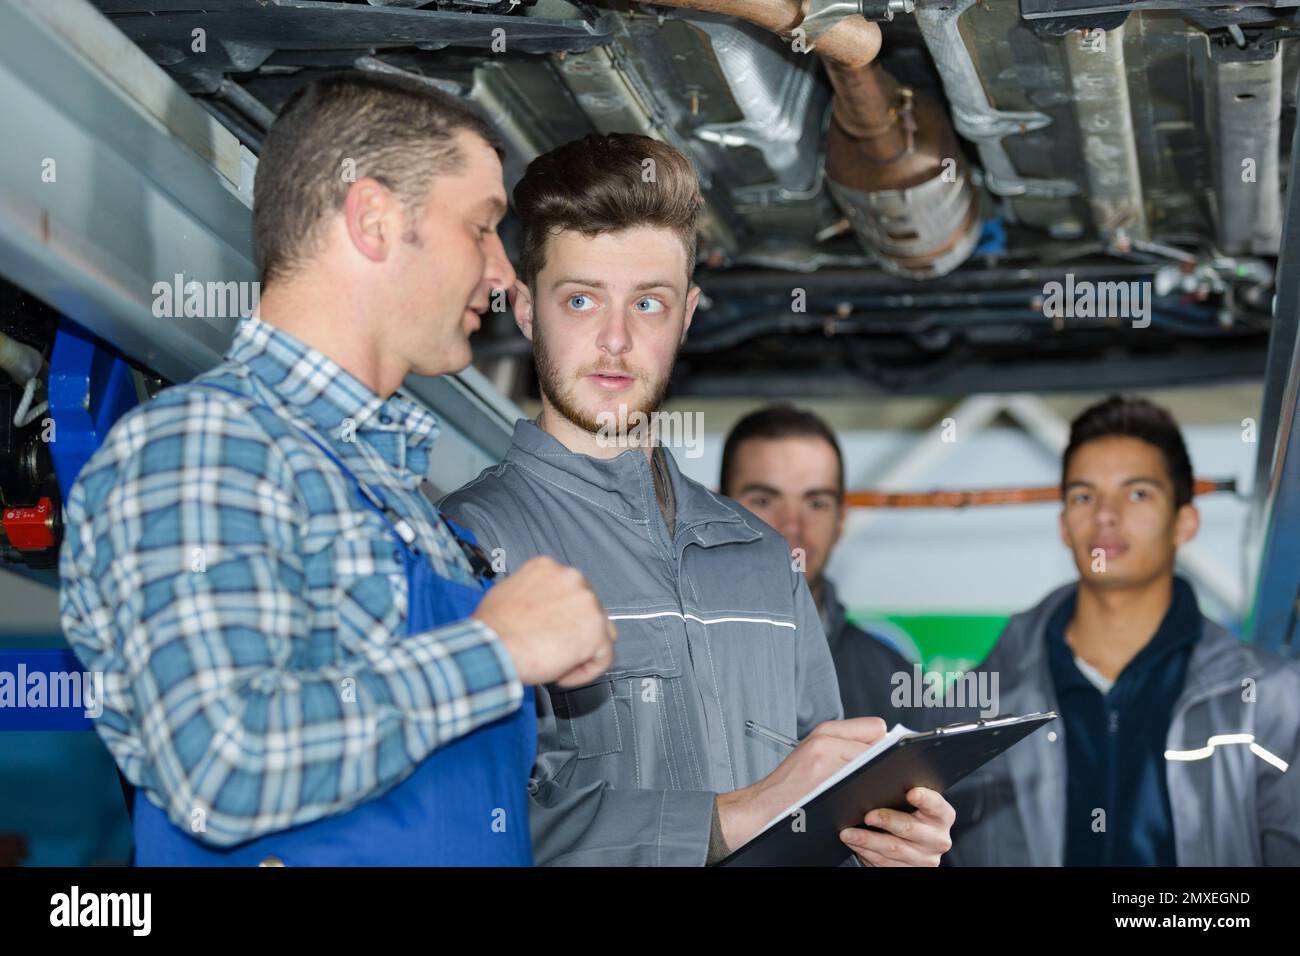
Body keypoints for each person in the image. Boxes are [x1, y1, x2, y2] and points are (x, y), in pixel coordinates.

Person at [59, 72, 615, 866]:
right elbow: (220, 767)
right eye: (484, 228)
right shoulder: (204, 445)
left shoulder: (410, 506)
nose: (503, 275)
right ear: (375, 220)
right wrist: (497, 649)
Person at [441, 132, 955, 867]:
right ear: (524, 309)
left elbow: (825, 815)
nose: (615, 340)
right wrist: (731, 817)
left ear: (687, 314)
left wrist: (882, 842)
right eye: (581, 299)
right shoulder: (472, 542)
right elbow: (472, 825)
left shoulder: (765, 559)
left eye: (648, 303)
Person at [943, 395, 1300, 865]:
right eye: (1084, 496)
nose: (1106, 515)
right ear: (1064, 525)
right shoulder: (973, 709)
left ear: (1184, 522)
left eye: (1137, 493)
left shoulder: (1270, 700)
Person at [718, 404, 921, 726]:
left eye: (815, 503)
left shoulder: (892, 679)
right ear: (715, 511)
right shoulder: (670, 664)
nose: (791, 525)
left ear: (840, 520)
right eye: (764, 500)